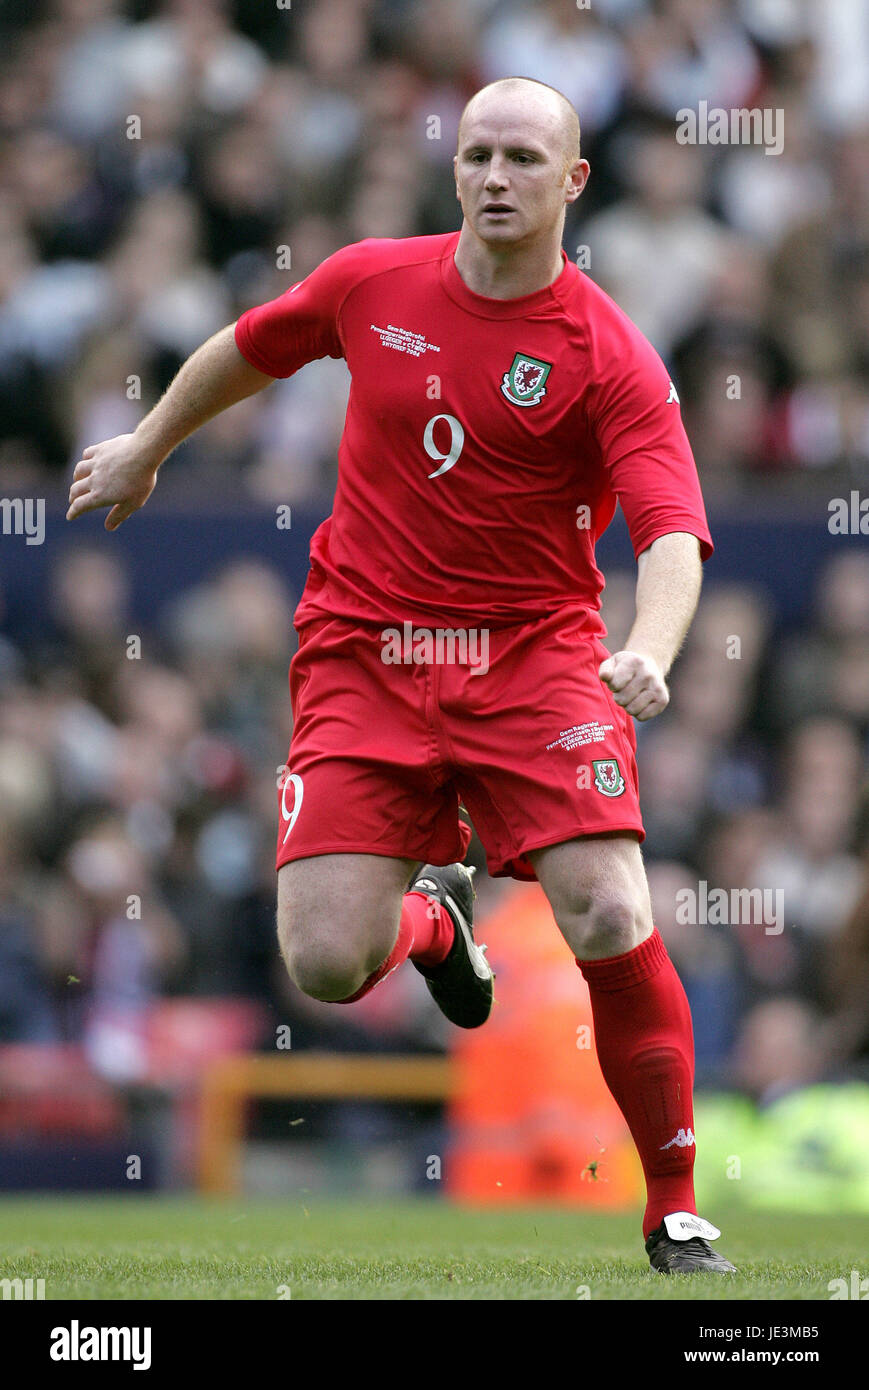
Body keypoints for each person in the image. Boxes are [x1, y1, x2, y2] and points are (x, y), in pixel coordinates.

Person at [67, 76, 734, 1275]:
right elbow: (253, 345)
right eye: (476, 153)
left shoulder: (608, 354)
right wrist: (145, 444)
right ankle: (435, 928)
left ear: (571, 183)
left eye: (523, 158)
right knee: (323, 963)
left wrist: (649, 649)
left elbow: (672, 532)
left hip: (533, 660)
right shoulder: (374, 279)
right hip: (363, 654)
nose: (493, 177)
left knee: (608, 905)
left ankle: (673, 1207)